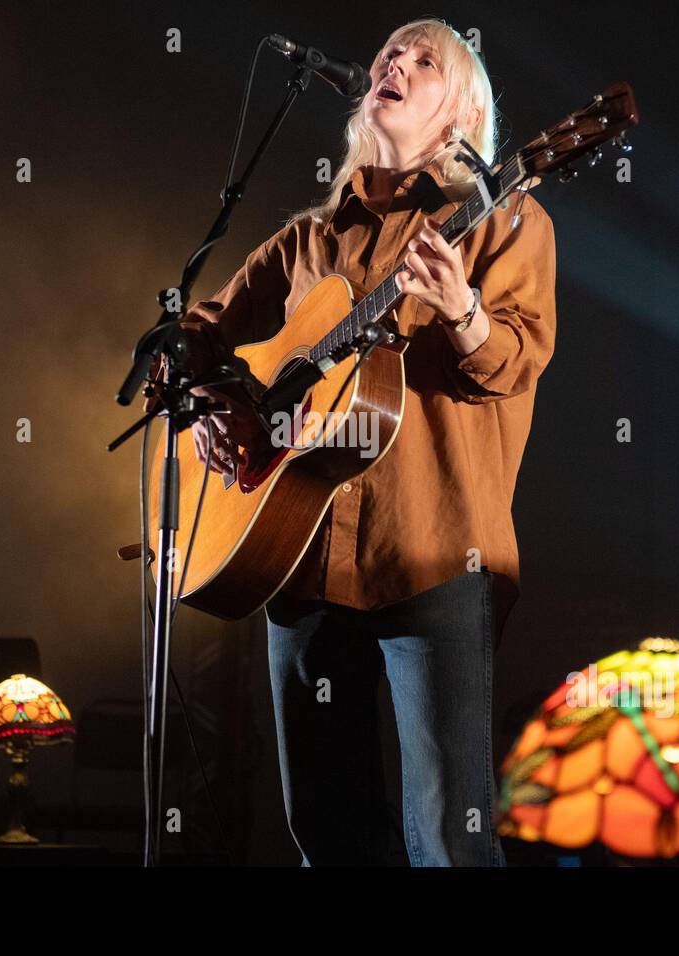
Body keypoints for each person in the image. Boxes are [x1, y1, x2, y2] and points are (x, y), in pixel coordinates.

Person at [185, 18, 556, 865]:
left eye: (426, 61)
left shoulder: (503, 218)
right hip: (300, 556)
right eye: (392, 53)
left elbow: (516, 360)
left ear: (460, 113)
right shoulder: (309, 241)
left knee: (448, 838)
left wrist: (463, 311)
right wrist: (214, 401)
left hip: (433, 556)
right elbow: (198, 332)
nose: (397, 63)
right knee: (327, 828)